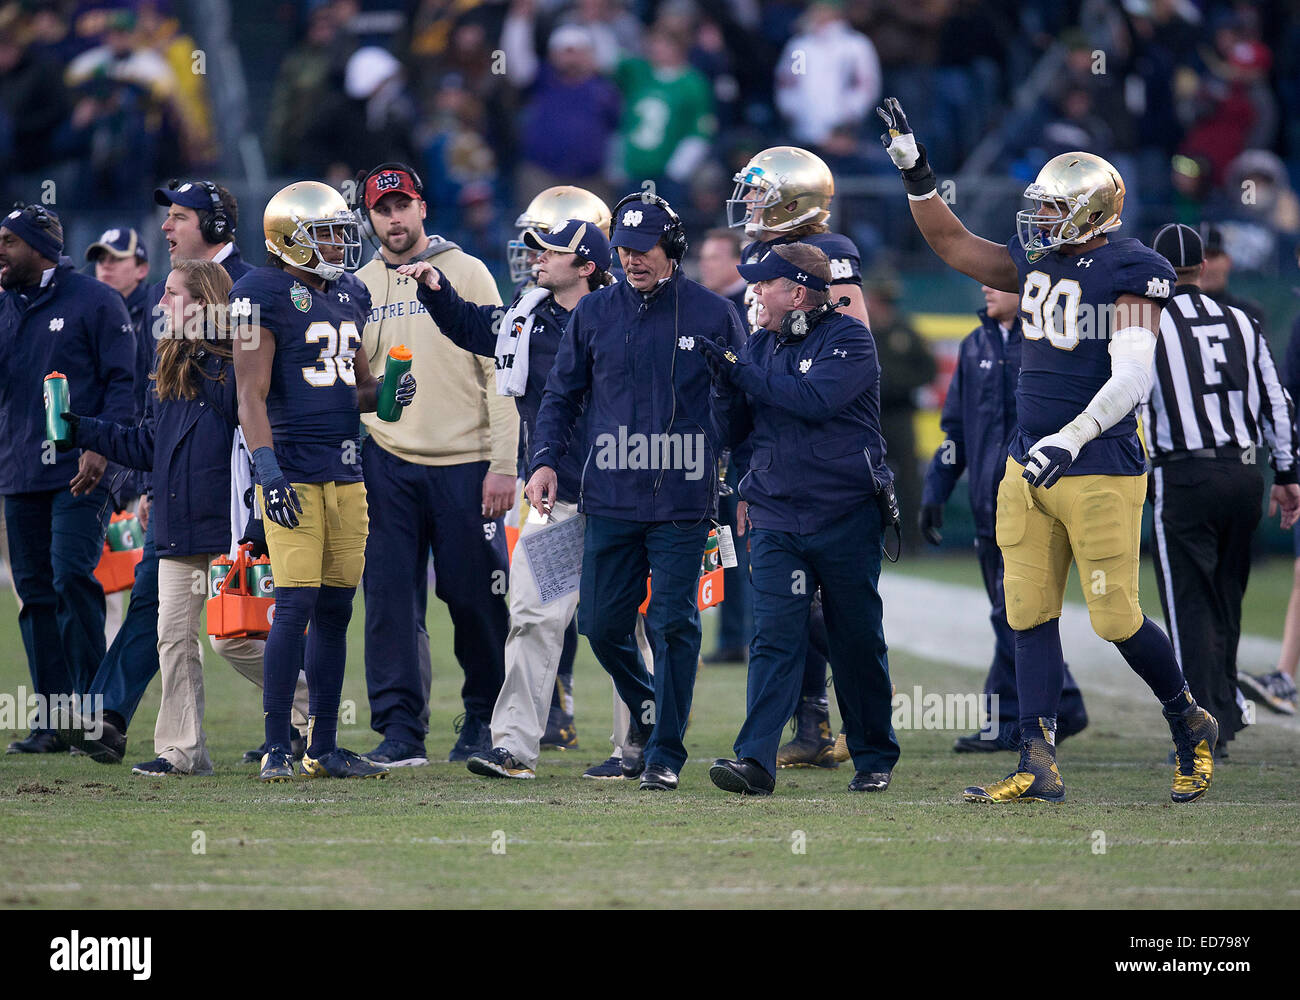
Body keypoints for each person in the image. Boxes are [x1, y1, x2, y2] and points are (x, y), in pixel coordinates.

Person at [879, 95, 1219, 804]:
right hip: (1026, 463)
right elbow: (953, 244)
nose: (1034, 221)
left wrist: (1068, 440)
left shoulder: (1134, 267)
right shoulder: (1037, 258)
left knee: (1115, 618)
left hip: (1096, 467)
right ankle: (1038, 761)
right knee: (1026, 612)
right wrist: (915, 168)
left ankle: (1189, 720)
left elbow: (1132, 378)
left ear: (1092, 214)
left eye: (1050, 207)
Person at [525, 192, 745, 790]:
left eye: (644, 249)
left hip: (682, 501)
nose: (632, 260)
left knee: (674, 624)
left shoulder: (713, 314)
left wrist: (732, 468)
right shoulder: (593, 315)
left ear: (671, 249)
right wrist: (542, 461)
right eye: (622, 249)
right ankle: (652, 710)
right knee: (599, 623)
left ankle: (665, 753)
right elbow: (561, 396)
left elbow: (741, 400)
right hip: (611, 498)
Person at [400, 218, 623, 780]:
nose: (537, 259)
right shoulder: (527, 318)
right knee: (530, 616)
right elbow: (471, 326)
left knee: (629, 627)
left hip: (630, 502)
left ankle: (640, 747)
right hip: (560, 500)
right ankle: (515, 746)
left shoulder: (628, 319)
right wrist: (436, 289)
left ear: (587, 266)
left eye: (551, 252)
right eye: (536, 250)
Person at [61, 261, 277, 775]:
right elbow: (147, 445)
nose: (161, 306)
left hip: (230, 525)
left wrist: (257, 522)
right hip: (178, 527)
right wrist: (81, 430)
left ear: (204, 303)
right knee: (172, 637)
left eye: (172, 295)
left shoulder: (238, 365)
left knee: (236, 640)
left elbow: (258, 443)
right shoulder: (173, 364)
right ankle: (182, 752)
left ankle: (315, 711)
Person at [703, 242, 900, 795]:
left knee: (855, 636)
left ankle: (873, 753)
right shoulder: (760, 346)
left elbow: (812, 400)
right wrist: (721, 383)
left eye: (764, 283)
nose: (755, 292)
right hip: (775, 515)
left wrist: (739, 369)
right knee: (774, 636)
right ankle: (755, 761)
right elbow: (729, 433)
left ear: (796, 290)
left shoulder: (851, 339)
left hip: (844, 513)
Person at [234, 180, 413, 782]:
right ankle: (277, 745)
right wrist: (267, 471)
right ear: (290, 240)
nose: (340, 245)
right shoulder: (258, 290)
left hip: (346, 470)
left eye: (341, 233)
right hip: (292, 469)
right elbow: (249, 395)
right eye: (327, 235)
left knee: (336, 607)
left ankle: (325, 748)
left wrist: (389, 392)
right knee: (295, 605)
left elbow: (358, 387)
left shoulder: (352, 293)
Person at [352, 162, 517, 766]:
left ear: (422, 207)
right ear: (369, 218)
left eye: (402, 206)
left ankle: (482, 718)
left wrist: (503, 461)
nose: (393, 219)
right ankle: (399, 729)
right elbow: (357, 379)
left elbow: (503, 371)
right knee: (390, 600)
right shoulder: (361, 283)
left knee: (474, 596)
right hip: (387, 460)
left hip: (466, 462)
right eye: (381, 210)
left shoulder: (468, 271)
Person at [726, 144, 869, 769]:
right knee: (786, 611)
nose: (750, 203)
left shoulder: (829, 260)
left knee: (825, 615)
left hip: (824, 471)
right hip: (775, 463)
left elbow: (847, 357)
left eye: (759, 192)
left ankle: (846, 731)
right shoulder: (765, 261)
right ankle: (809, 723)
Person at [1142, 223, 1299, 754]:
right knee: (1226, 599)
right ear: (1203, 268)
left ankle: (1198, 730)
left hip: (1182, 475)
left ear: (1158, 270)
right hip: (1241, 474)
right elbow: (1276, 403)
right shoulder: (1240, 320)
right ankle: (1226, 716)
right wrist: (1288, 474)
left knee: (1189, 605)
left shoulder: (1147, 324)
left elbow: (1135, 404)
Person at [920, 284, 1089, 752]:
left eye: (995, 281)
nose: (982, 287)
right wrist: (937, 487)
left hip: (1034, 501)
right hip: (984, 505)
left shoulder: (1050, 340)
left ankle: (1034, 711)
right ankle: (1053, 705)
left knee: (1013, 612)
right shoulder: (976, 342)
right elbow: (954, 428)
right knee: (1011, 614)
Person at [0, 205, 135, 755]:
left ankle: (92, 713)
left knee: (70, 579)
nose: (0, 251)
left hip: (81, 469)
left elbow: (125, 383)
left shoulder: (96, 301)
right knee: (32, 595)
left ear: (40, 248)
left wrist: (102, 448)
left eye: (8, 242)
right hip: (19, 472)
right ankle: (54, 720)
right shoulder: (3, 306)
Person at [697, 228, 752, 664]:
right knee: (719, 542)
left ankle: (742, 634)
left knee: (740, 538)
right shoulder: (707, 307)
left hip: (744, 445)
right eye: (704, 257)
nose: (706, 265)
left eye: (715, 258)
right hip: (709, 444)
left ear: (736, 261)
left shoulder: (749, 307)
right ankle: (731, 635)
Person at [866, 270, 935, 553]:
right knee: (869, 477)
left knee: (907, 477)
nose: (883, 306)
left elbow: (928, 369)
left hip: (900, 413)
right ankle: (877, 538)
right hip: (869, 415)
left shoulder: (905, 331)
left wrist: (898, 385)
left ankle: (912, 540)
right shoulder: (863, 330)